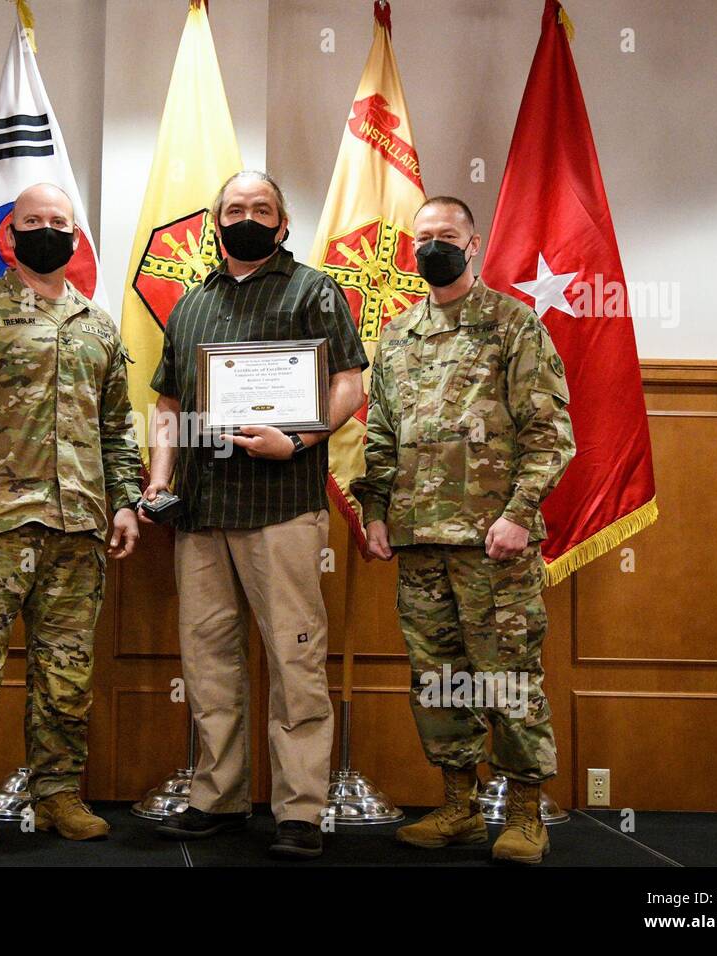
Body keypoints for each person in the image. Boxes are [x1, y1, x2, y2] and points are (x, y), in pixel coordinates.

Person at [0, 183, 142, 847]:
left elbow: (118, 429)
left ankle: (57, 792)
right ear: (10, 237)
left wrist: (123, 502)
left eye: (59, 222)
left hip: (79, 529)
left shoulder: (97, 326)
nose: (48, 231)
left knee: (67, 674)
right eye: (34, 221)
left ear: (76, 237)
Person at [145, 170, 368, 859]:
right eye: (234, 208)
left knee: (294, 658)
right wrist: (157, 482)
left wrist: (296, 439)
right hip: (202, 509)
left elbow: (351, 383)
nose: (247, 216)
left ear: (283, 222)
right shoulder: (190, 304)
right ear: (217, 222)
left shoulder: (315, 290)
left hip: (280, 506)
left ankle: (300, 808)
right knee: (208, 660)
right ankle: (219, 794)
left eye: (260, 208)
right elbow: (167, 407)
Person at [352, 195, 575, 864]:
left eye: (445, 236)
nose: (432, 247)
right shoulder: (398, 335)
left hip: (492, 541)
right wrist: (373, 511)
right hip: (419, 540)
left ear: (472, 244)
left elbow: (550, 433)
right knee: (438, 677)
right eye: (422, 238)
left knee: (506, 675)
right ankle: (458, 806)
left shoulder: (513, 325)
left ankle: (527, 814)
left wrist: (518, 513)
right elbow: (382, 435)